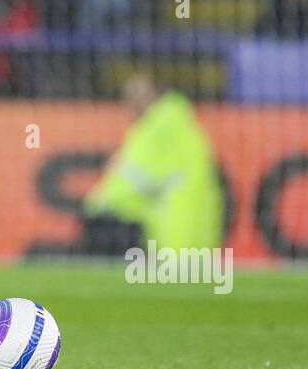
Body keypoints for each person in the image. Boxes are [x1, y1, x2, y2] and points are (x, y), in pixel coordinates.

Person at [81, 73, 223, 253]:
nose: (133, 102)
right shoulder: (173, 119)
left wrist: (103, 199)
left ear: (153, 94)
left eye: (138, 94)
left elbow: (139, 172)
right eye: (130, 96)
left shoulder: (160, 124)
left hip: (175, 211)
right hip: (183, 208)